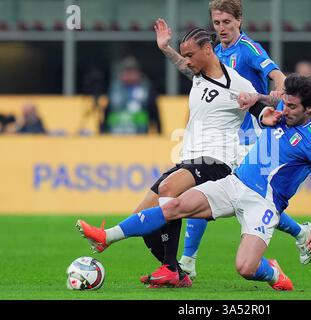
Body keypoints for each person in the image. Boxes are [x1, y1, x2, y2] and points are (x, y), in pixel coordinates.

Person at [76, 74, 311, 291]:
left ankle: (274, 273)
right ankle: (106, 237)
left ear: (309, 108)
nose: (285, 111)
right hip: (234, 183)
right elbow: (274, 98)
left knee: (246, 268)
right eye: (286, 104)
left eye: (293, 107)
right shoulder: (284, 111)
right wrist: (258, 97)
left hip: (263, 204)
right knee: (174, 205)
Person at [92, 26, 284, 288]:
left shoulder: (237, 83)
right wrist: (165, 48)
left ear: (208, 50)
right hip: (191, 159)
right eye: (185, 55)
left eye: (191, 54)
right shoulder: (199, 74)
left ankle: (111, 239)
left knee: (168, 189)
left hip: (217, 160)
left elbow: (260, 109)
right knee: (144, 215)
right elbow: (183, 66)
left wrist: (266, 115)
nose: (188, 60)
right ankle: (177, 273)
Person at [151, 0, 304, 283]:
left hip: (253, 137)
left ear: (239, 21)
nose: (221, 28)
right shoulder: (215, 52)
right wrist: (166, 49)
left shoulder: (249, 49)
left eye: (226, 23)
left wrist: (274, 101)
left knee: (253, 200)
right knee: (209, 192)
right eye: (217, 23)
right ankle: (188, 260)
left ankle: (300, 233)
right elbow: (190, 69)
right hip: (227, 138)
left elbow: (278, 77)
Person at [103, 56, 162, 135]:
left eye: (132, 71)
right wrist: (103, 131)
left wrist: (159, 132)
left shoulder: (146, 88)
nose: (129, 75)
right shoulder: (114, 88)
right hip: (115, 134)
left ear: (138, 73)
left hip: (140, 135)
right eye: (126, 71)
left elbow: (154, 111)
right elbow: (107, 111)